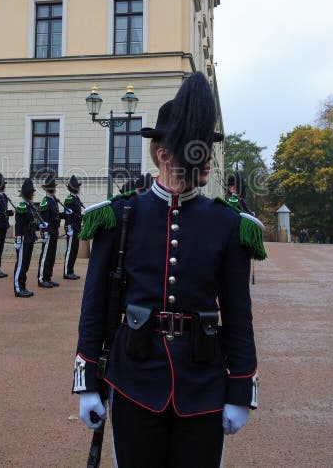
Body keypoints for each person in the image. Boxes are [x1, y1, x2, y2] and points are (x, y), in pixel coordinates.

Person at [72, 73, 262, 467]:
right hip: (135, 378)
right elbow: (94, 308)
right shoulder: (119, 215)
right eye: (196, 148)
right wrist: (88, 382)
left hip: (204, 380)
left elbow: (239, 314)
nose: (206, 157)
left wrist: (241, 388)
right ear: (163, 153)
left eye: (206, 147)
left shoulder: (228, 223)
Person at [13, 178, 40, 298]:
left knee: (26, 264)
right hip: (23, 238)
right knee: (21, 264)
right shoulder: (22, 206)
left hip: (30, 238)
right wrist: (18, 238)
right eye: (32, 193)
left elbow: (33, 222)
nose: (33, 195)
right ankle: (18, 289)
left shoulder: (30, 206)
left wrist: (38, 228)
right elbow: (19, 225)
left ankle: (23, 286)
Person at [37, 172, 61, 288]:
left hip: (54, 231)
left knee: (51, 256)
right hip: (48, 232)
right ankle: (42, 278)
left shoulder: (54, 201)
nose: (53, 190)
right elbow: (43, 219)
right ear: (47, 189)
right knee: (45, 256)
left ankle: (48, 277)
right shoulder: (45, 201)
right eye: (51, 188)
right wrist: (44, 232)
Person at [61, 175, 83, 280]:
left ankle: (71, 270)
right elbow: (67, 215)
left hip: (77, 226)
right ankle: (67, 271)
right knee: (70, 250)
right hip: (72, 227)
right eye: (77, 186)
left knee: (74, 249)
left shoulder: (76, 198)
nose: (78, 188)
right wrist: (68, 228)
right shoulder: (69, 199)